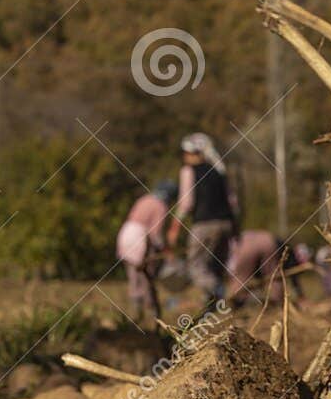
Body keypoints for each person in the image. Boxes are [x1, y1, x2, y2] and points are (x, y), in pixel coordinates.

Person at [167, 133, 239, 306]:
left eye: (186, 152)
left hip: (204, 224)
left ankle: (219, 294)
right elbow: (233, 202)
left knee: (196, 267)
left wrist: (174, 228)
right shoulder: (220, 172)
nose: (184, 157)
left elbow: (186, 203)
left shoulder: (189, 171)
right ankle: (215, 307)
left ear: (194, 153)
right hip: (226, 224)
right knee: (215, 267)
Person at [117, 182, 176, 321]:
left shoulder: (144, 199)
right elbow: (155, 234)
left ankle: (136, 314)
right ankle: (152, 315)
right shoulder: (160, 206)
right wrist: (164, 250)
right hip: (139, 238)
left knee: (134, 277)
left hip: (125, 233)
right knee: (147, 277)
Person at [226, 229, 299, 306]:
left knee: (241, 278)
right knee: (274, 277)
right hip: (269, 242)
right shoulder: (279, 242)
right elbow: (291, 267)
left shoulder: (234, 240)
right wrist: (299, 292)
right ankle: (275, 304)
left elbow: (232, 266)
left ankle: (236, 303)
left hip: (246, 244)